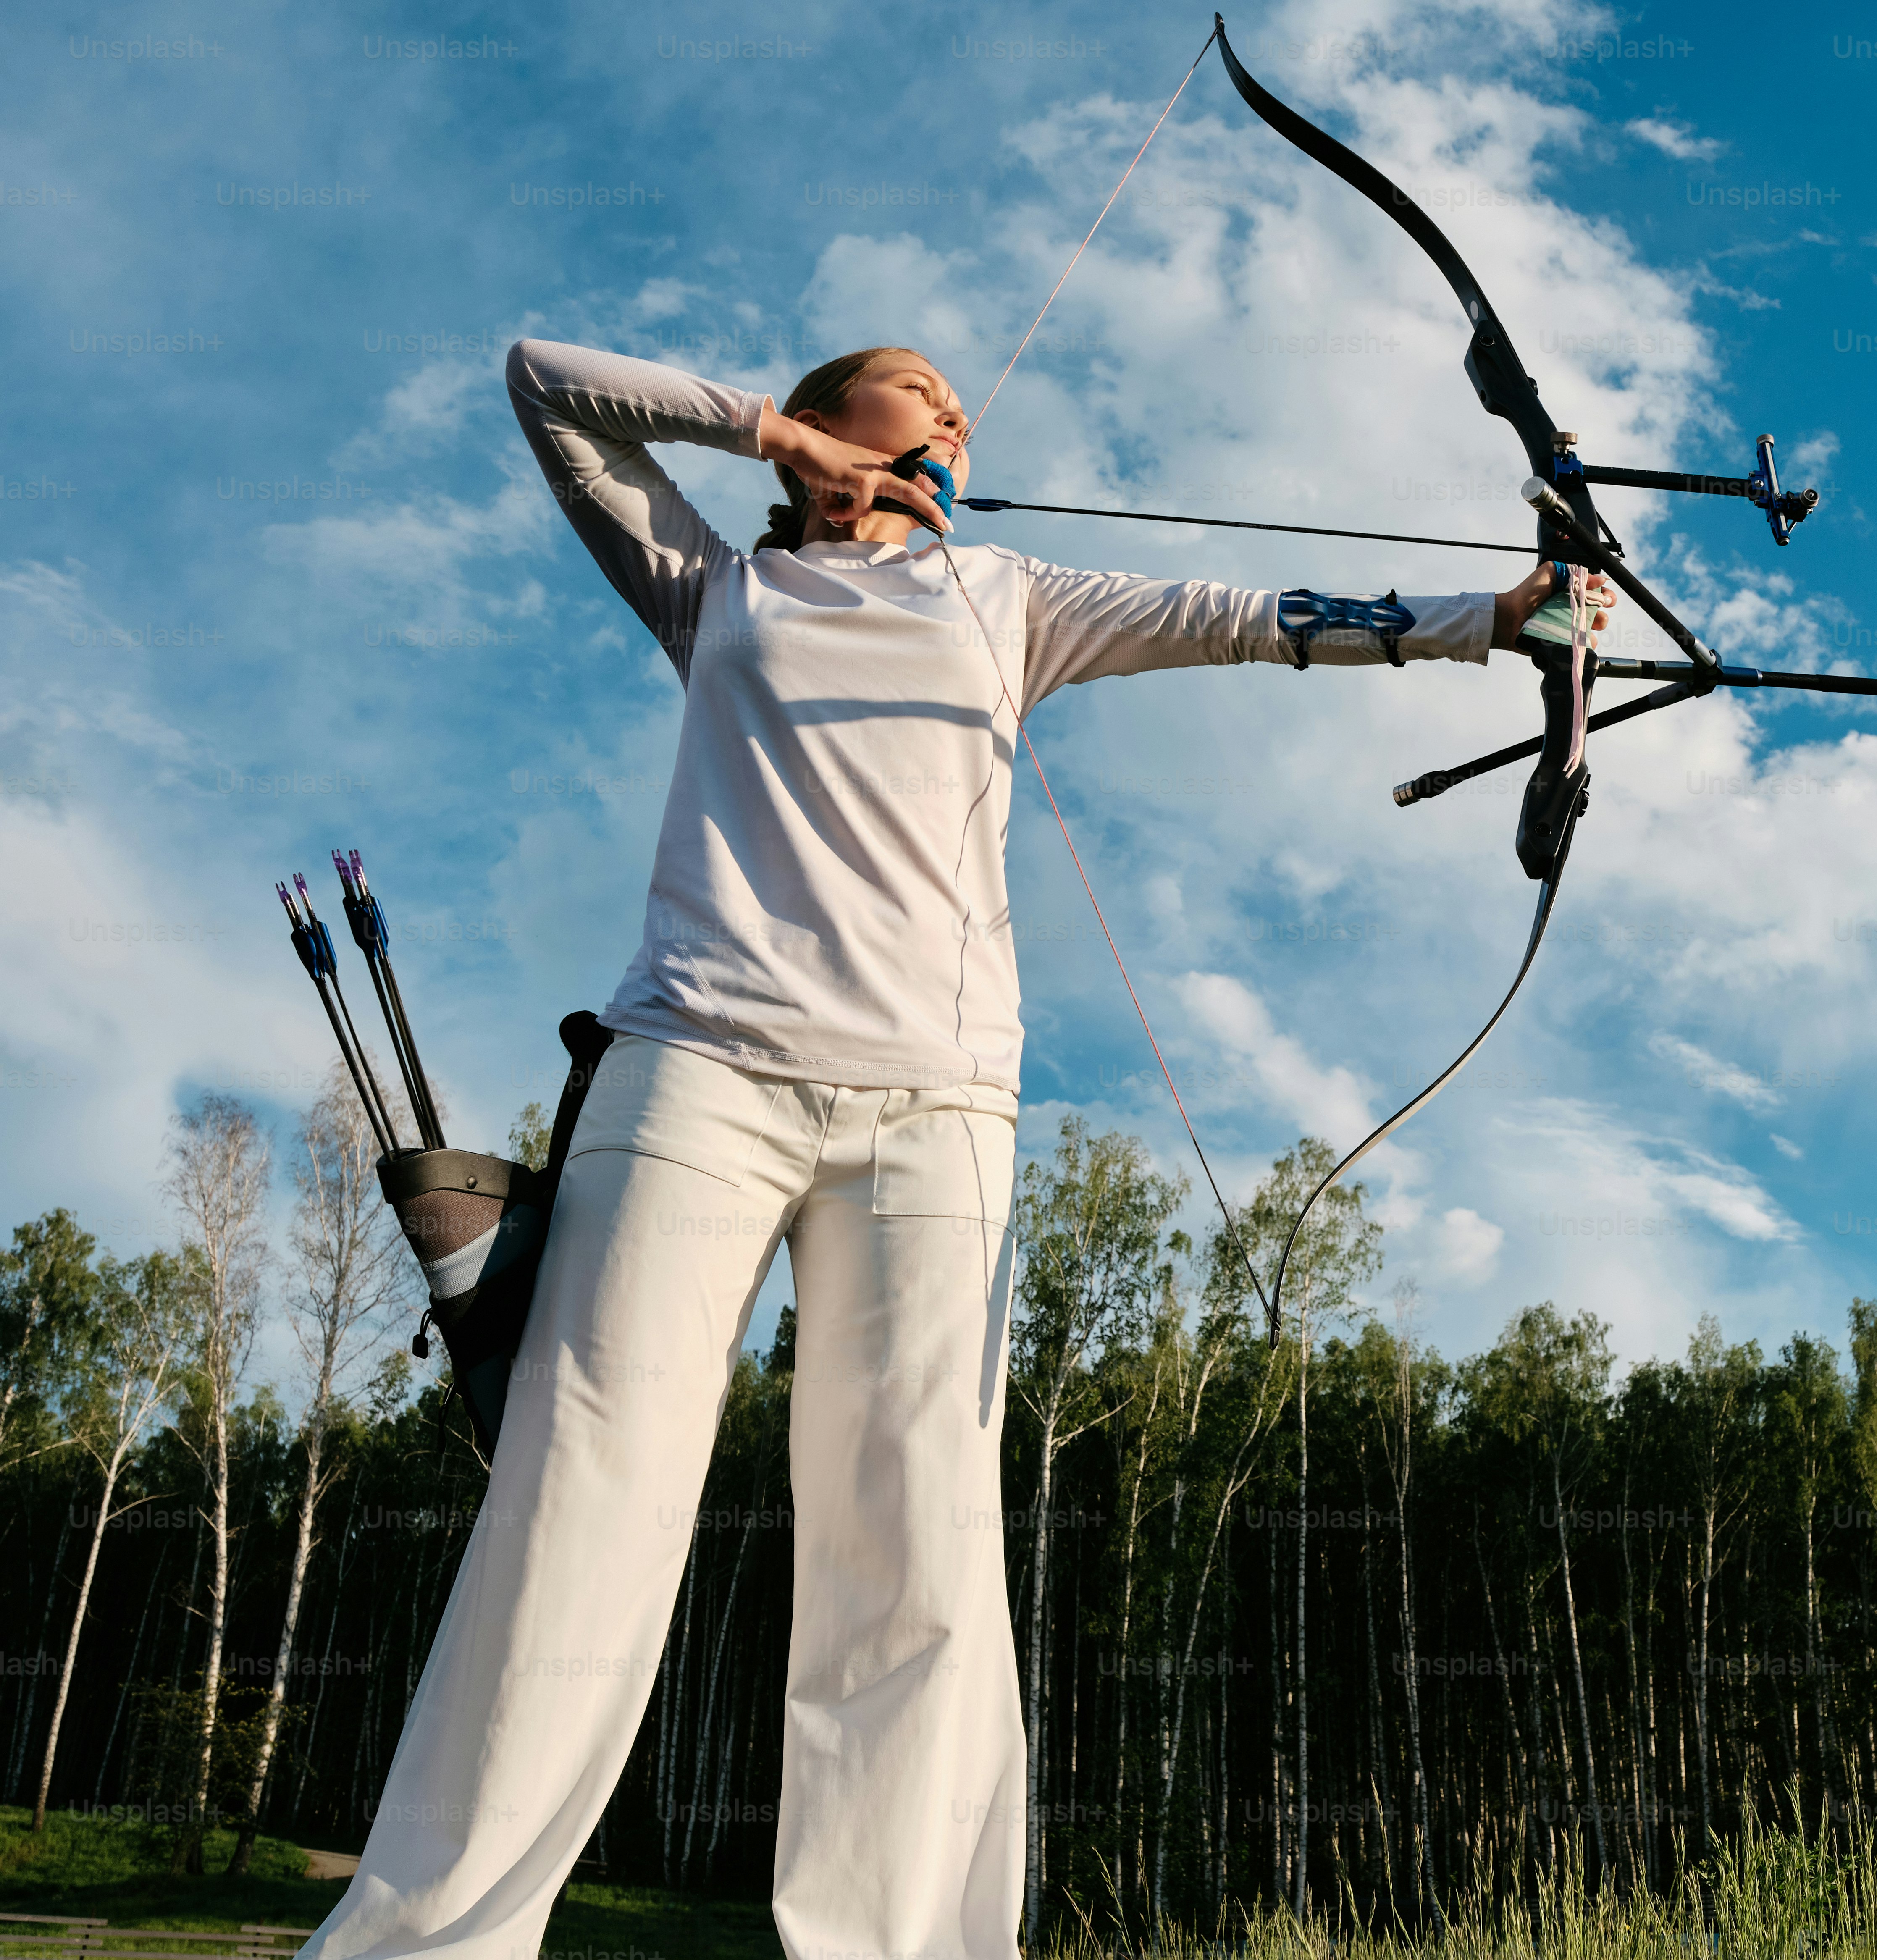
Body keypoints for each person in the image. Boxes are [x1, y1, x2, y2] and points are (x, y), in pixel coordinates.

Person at [299, 339, 1607, 1960]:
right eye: (916, 386)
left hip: (940, 1111)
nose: (956, 412)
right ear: (832, 419)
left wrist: (1494, 622)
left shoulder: (1010, 593)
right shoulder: (709, 589)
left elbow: (1240, 618)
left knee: (914, 1552)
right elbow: (541, 385)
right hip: (699, 1071)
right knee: (583, 1505)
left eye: (955, 404)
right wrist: (764, 434)